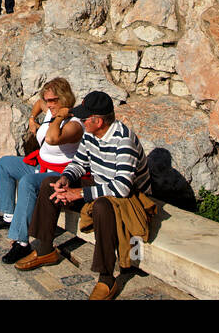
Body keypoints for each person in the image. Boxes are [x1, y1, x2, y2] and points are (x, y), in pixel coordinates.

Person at [15, 91, 155, 302]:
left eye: (84, 118)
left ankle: (106, 278)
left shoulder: (123, 140)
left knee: (102, 207)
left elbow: (123, 187)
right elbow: (80, 164)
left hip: (131, 200)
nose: (81, 121)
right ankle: (45, 249)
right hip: (104, 188)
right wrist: (66, 179)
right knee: (49, 184)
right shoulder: (91, 134)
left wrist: (79, 193)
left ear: (98, 121)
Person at [0, 78, 84, 264]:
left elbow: (53, 138)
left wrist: (59, 117)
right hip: (41, 165)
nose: (49, 104)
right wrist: (32, 119)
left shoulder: (75, 124)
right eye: (48, 100)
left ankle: (21, 243)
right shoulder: (49, 107)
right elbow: (38, 104)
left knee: (28, 182)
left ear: (64, 99)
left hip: (61, 174)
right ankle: (9, 216)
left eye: (54, 100)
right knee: (6, 163)